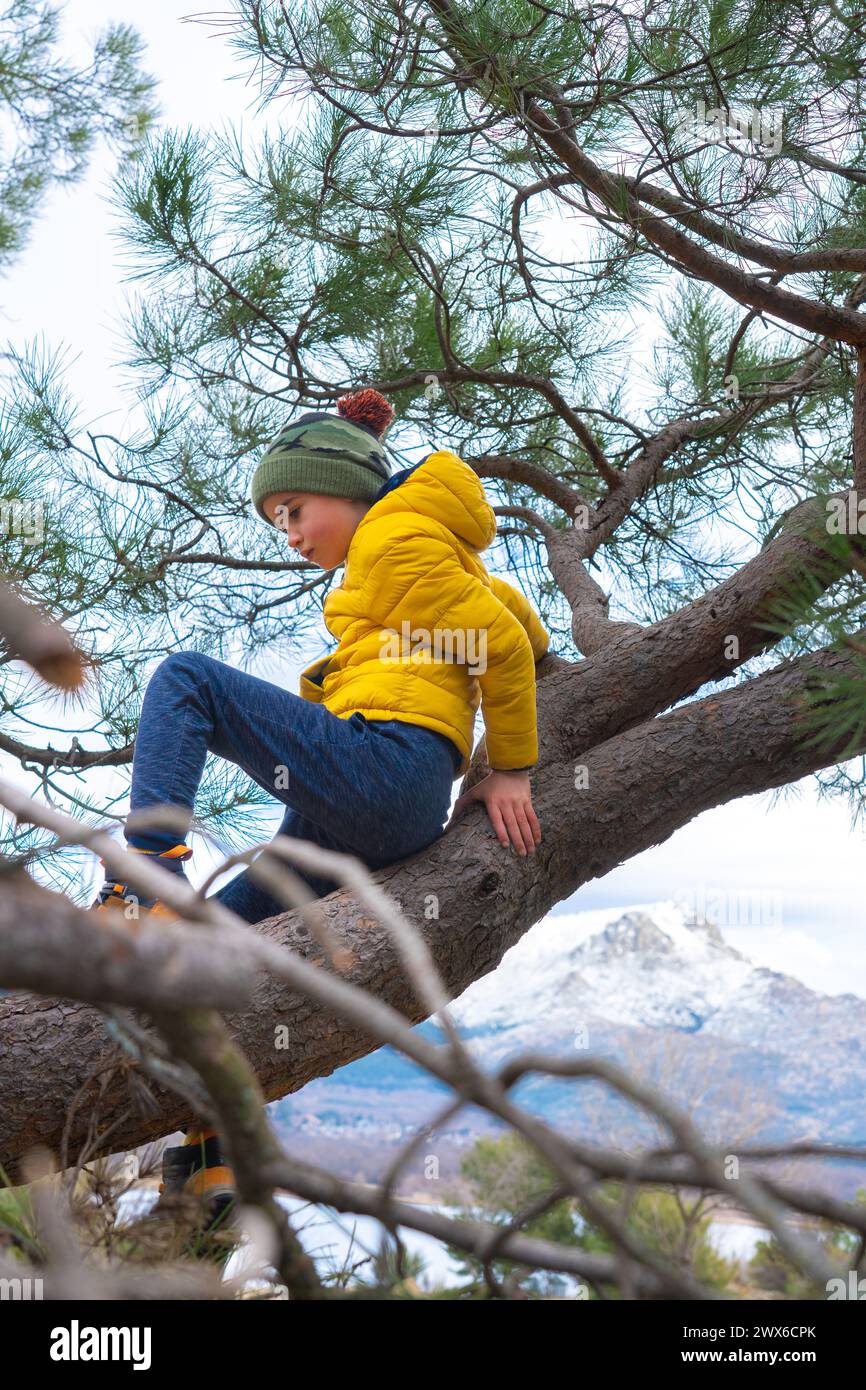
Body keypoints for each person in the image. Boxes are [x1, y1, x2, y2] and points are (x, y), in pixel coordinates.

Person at [89, 386, 549, 1227]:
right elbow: (523, 626)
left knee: (186, 681)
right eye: (278, 523)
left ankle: (146, 875)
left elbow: (502, 645)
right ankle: (213, 1162)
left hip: (386, 769)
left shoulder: (397, 540)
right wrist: (511, 704)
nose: (292, 535)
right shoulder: (428, 549)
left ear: (352, 489)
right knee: (213, 944)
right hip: (368, 809)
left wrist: (510, 766)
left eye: (296, 510)